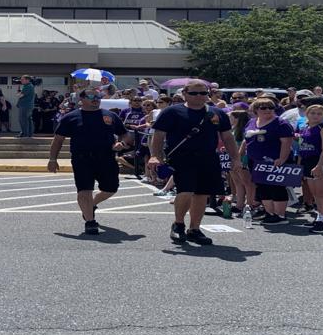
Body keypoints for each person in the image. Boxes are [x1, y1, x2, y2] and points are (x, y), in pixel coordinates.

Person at [147, 80, 237, 246]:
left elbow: (228, 137)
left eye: (203, 93)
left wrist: (236, 159)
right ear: (185, 94)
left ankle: (194, 229)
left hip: (208, 157)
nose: (199, 96)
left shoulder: (217, 113)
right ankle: (178, 224)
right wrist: (155, 156)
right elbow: (158, 135)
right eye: (194, 93)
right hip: (182, 158)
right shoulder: (172, 112)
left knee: (202, 194)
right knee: (186, 190)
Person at [49, 86, 128, 235]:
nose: (96, 100)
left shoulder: (110, 116)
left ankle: (92, 205)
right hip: (82, 159)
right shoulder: (71, 117)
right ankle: (90, 222)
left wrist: (121, 143)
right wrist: (53, 159)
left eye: (98, 97)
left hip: (106, 158)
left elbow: (124, 134)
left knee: (111, 188)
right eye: (92, 97)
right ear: (82, 99)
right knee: (84, 189)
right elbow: (58, 139)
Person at [242, 96, 294, 224]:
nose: (268, 110)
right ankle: (269, 213)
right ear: (255, 110)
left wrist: (282, 158)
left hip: (275, 161)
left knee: (276, 187)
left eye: (271, 107)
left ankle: (280, 215)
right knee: (262, 187)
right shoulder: (252, 122)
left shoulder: (281, 123)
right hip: (255, 161)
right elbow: (246, 140)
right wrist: (240, 156)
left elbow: (286, 142)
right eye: (263, 108)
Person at [297, 104, 323, 232]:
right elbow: (302, 147)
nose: (316, 116)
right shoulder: (305, 127)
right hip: (307, 162)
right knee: (315, 193)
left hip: (321, 162)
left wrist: (319, 166)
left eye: (319, 114)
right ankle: (319, 218)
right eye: (313, 113)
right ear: (307, 114)